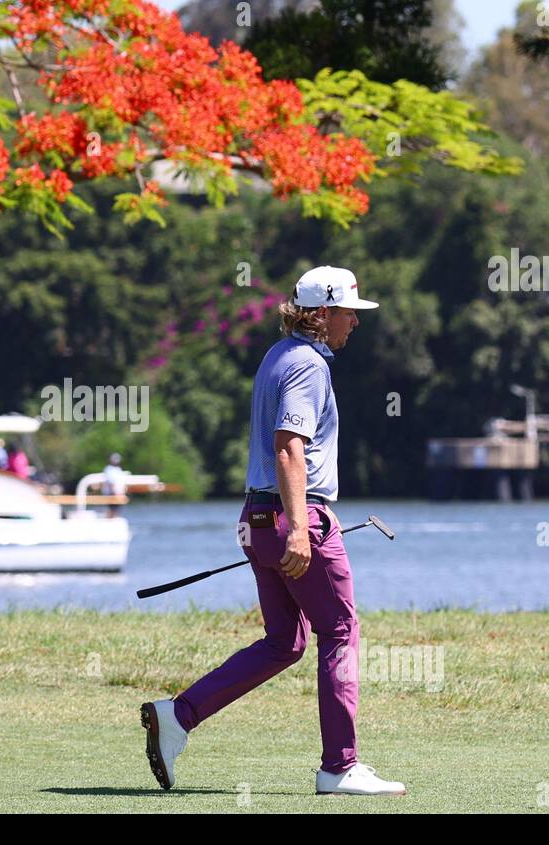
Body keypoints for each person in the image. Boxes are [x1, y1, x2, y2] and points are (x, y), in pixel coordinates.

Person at [139, 266, 406, 797]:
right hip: (293, 516)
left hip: (257, 518)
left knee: (285, 641)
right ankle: (340, 767)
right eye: (350, 312)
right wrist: (302, 531)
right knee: (338, 633)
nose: (355, 321)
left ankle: (180, 714)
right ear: (324, 313)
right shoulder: (309, 365)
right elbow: (289, 446)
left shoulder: (277, 355)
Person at [101, 453, 127, 518]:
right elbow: (111, 482)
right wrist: (115, 493)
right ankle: (110, 520)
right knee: (112, 509)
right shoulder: (109, 469)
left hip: (119, 493)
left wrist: (122, 492)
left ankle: (113, 519)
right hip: (112, 494)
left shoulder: (118, 469)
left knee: (116, 510)